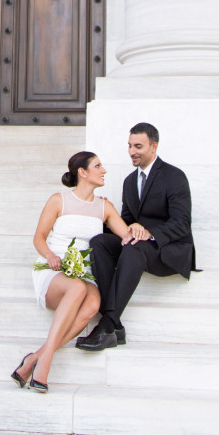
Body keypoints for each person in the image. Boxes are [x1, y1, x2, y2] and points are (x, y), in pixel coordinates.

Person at [12, 150, 131, 393]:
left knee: (93, 304)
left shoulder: (104, 206)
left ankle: (34, 358)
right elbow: (39, 237)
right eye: (98, 166)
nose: (104, 170)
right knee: (76, 288)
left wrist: (138, 228)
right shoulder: (59, 200)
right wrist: (51, 256)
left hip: (83, 272)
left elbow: (126, 234)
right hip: (54, 268)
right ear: (83, 172)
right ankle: (45, 364)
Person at [76, 122, 196, 351]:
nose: (132, 151)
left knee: (135, 247)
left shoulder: (174, 176)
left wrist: (148, 232)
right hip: (138, 246)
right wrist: (126, 226)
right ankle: (116, 325)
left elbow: (182, 223)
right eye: (130, 146)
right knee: (99, 242)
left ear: (154, 146)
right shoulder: (130, 181)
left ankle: (107, 325)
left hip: (168, 250)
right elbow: (127, 219)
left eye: (138, 146)